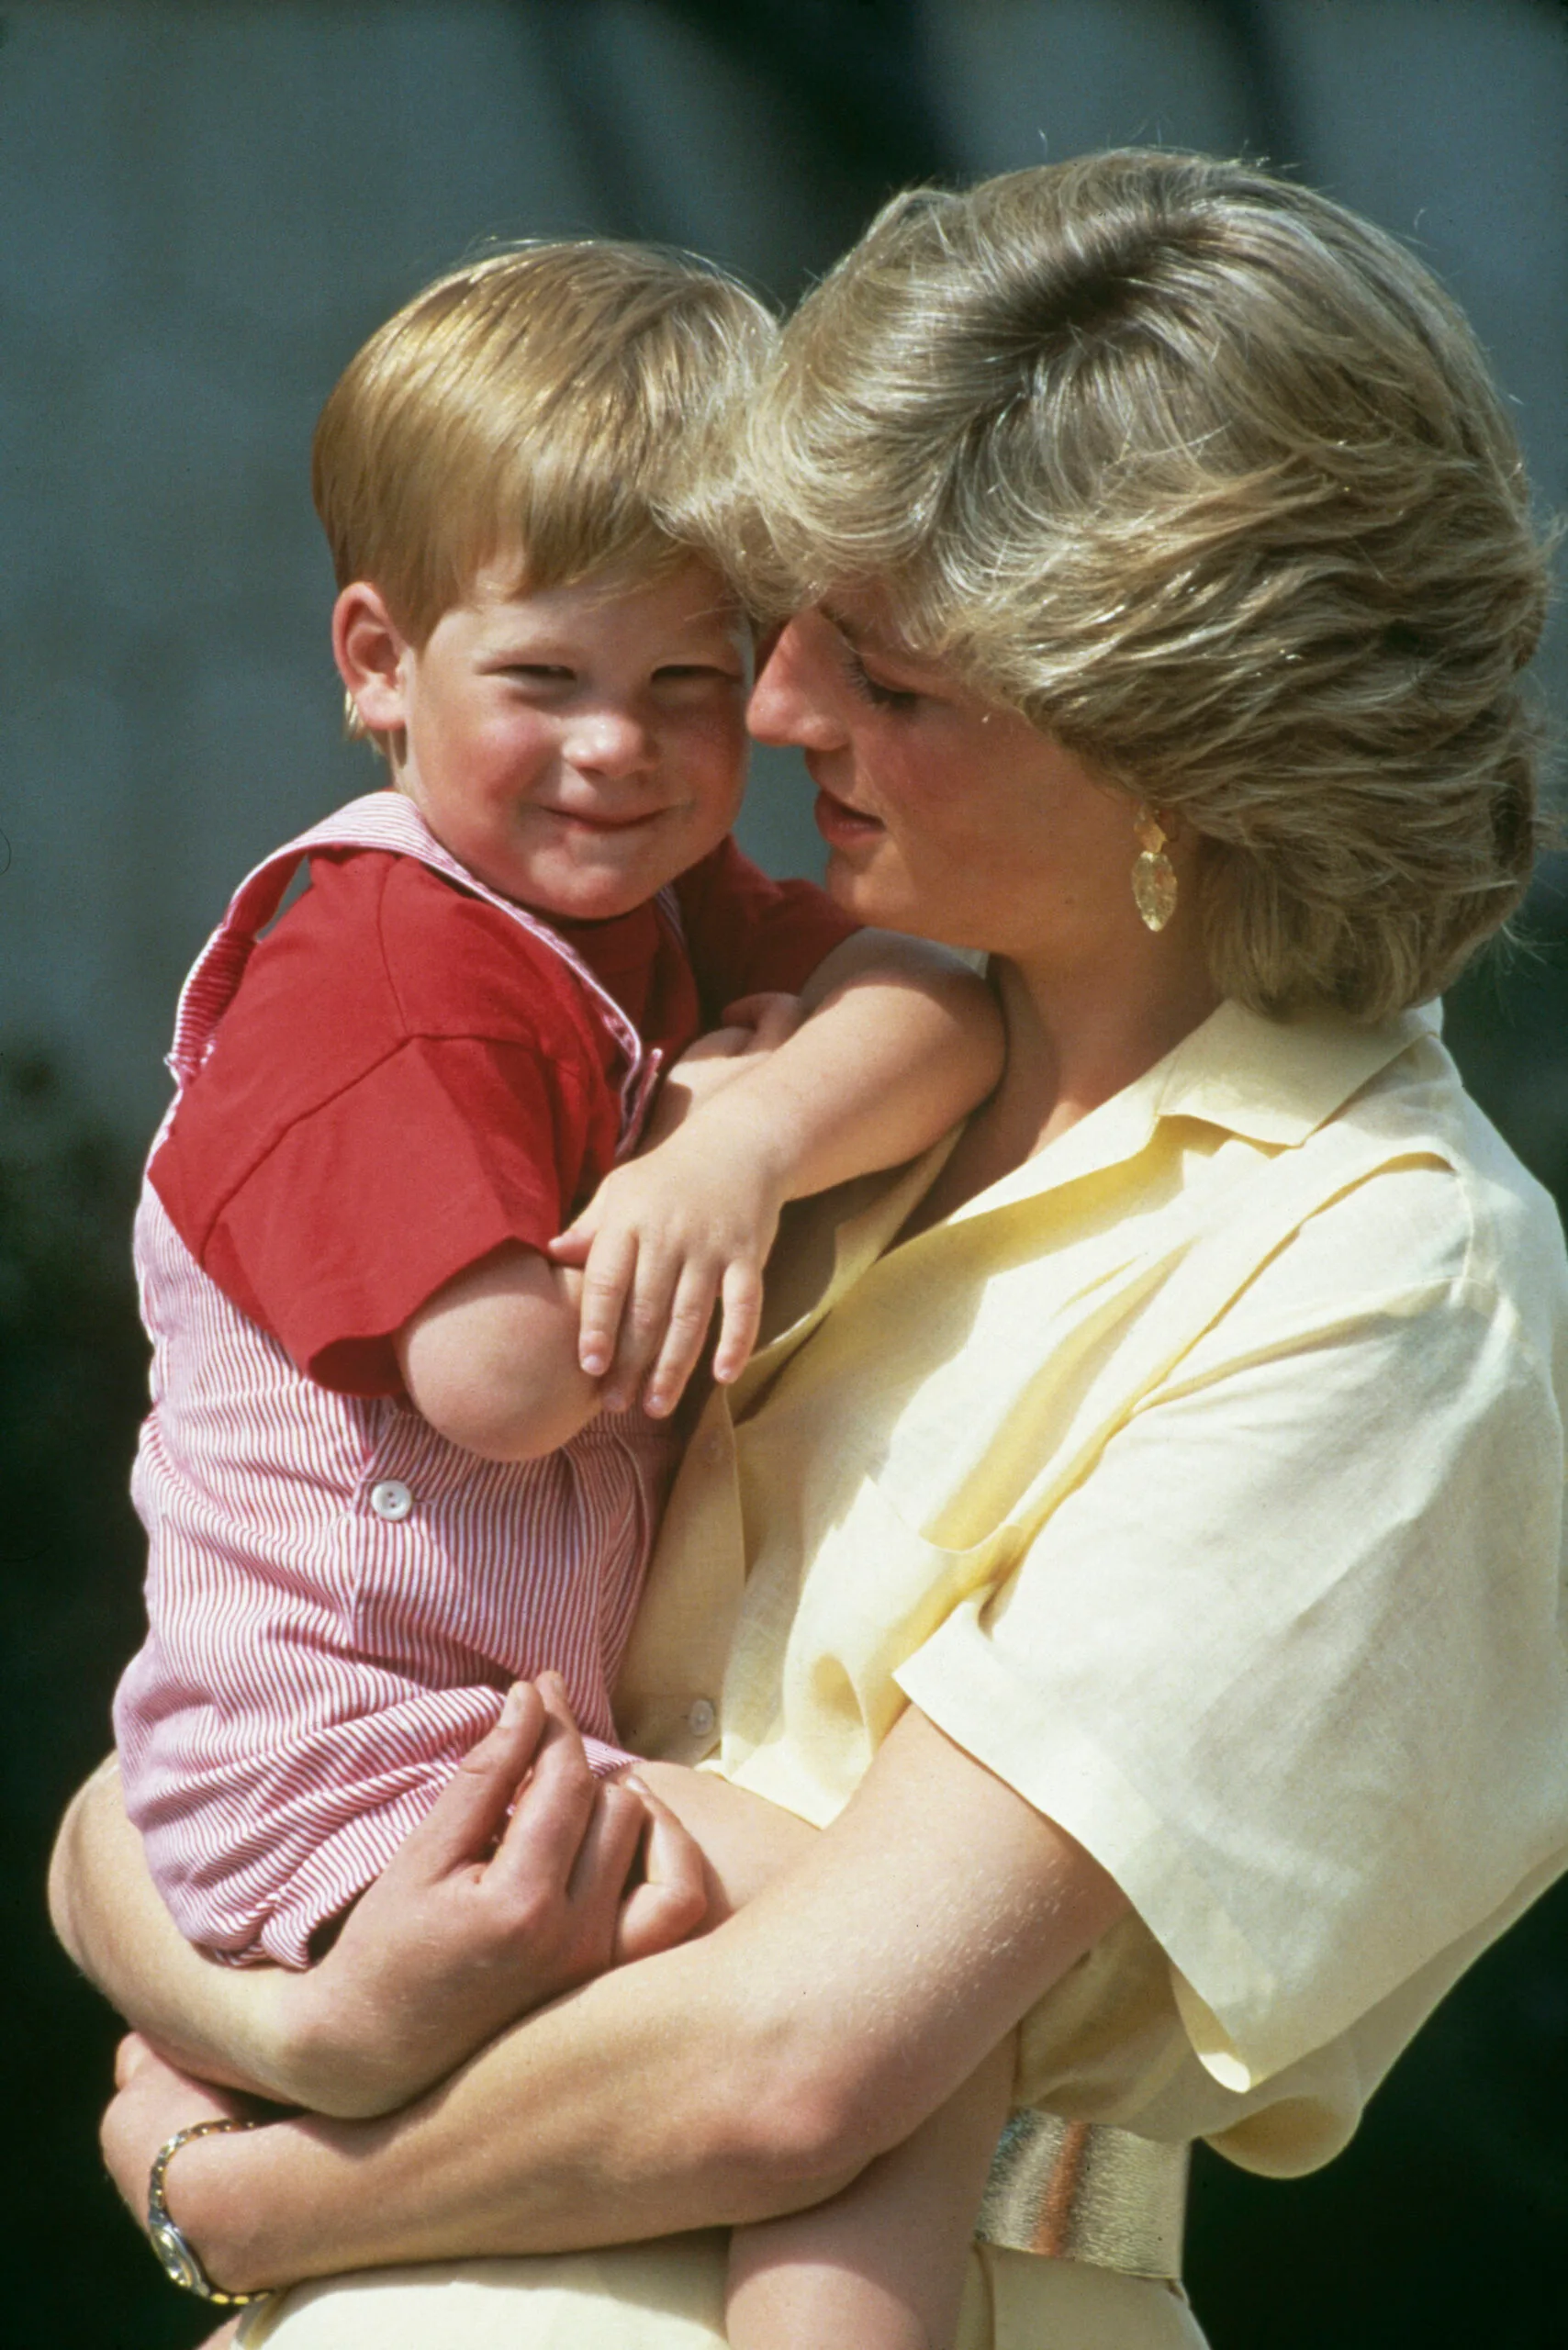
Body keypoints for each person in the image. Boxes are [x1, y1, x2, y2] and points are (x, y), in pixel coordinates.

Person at [55, 151, 1568, 2350]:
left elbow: (810, 2049)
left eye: (886, 677)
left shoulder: (1375, 1275)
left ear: (1167, 750)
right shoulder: (767, 1070)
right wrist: (287, 2031)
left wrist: (251, 2171)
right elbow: (170, 1777)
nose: (763, 718)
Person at [102, 238, 1007, 2349]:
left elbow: (945, 999)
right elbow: (501, 1375)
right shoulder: (381, 971)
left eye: (692, 683)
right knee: (899, 1989)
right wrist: (684, 1174)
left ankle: (251, 2176)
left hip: (459, 1746)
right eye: (548, 679)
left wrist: (739, 1142)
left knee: (863, 2017)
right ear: (378, 658)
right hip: (352, 1763)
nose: (623, 750)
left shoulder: (647, 915)